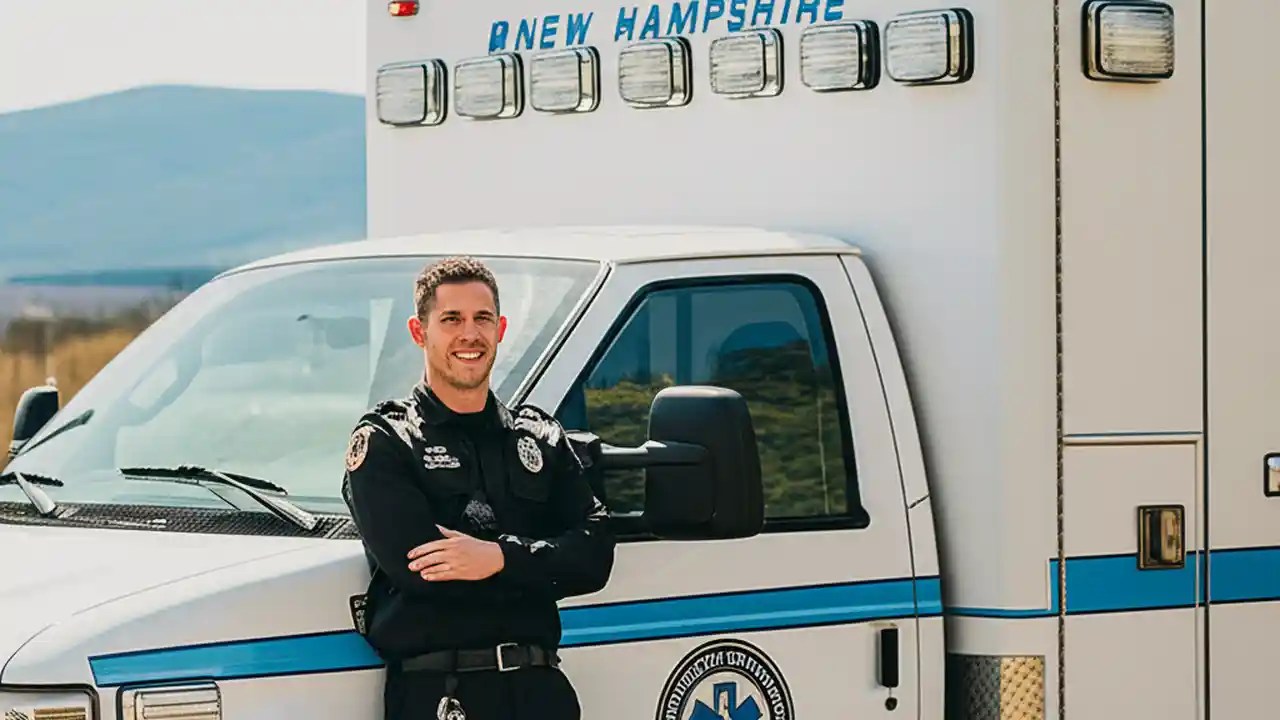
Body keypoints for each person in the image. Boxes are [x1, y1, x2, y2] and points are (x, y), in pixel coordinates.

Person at [341, 256, 616, 720]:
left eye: (482, 318)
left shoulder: (541, 440)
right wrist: (545, 567)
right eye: (451, 319)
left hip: (541, 694)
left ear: (501, 328)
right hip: (444, 696)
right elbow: (422, 571)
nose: (470, 334)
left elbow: (597, 555)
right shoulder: (388, 443)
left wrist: (497, 558)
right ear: (418, 331)